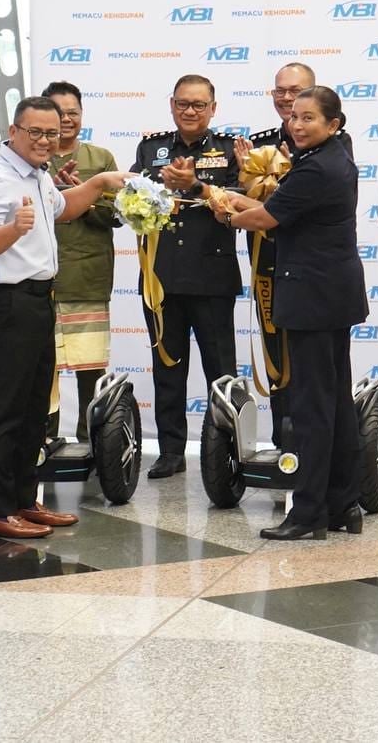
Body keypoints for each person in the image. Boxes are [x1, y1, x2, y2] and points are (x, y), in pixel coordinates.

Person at [0, 96, 127, 538]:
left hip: (39, 299)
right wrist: (12, 230)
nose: (43, 141)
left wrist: (101, 183)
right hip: (8, 300)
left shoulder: (36, 175)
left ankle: (23, 500)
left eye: (51, 133)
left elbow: (64, 208)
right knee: (6, 410)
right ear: (14, 131)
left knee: (35, 408)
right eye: (34, 132)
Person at [216, 86, 368, 539]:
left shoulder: (317, 167)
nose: (297, 125)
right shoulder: (331, 158)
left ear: (333, 124)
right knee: (336, 403)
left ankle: (309, 514)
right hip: (330, 296)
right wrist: (240, 202)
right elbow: (278, 209)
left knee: (313, 409)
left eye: (308, 118)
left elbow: (266, 219)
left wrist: (223, 210)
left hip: (314, 300)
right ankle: (343, 504)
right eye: (293, 117)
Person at [129, 74, 242, 479]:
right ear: (172, 105)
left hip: (212, 277)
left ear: (213, 108)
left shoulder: (230, 150)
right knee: (168, 369)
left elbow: (239, 202)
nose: (190, 111)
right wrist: (158, 185)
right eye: (182, 103)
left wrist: (195, 185)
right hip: (162, 279)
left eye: (198, 104)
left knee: (221, 371)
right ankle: (171, 452)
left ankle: (228, 451)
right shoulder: (151, 148)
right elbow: (130, 195)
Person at [40, 81, 119, 442]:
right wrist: (54, 193)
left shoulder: (100, 159)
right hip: (41, 283)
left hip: (88, 277)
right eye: (60, 113)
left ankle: (94, 444)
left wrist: (81, 196)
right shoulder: (31, 157)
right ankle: (44, 441)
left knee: (91, 370)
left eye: (73, 112)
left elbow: (116, 216)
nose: (67, 119)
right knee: (42, 369)